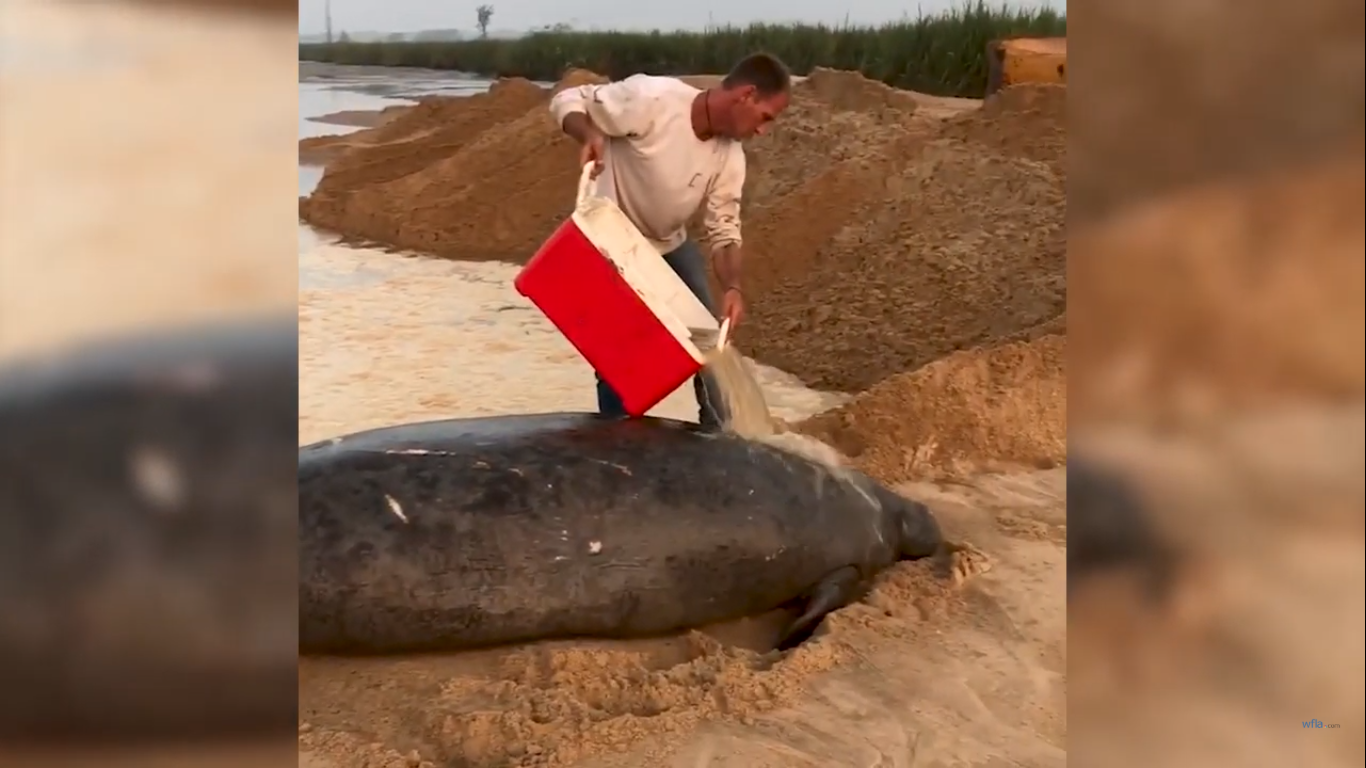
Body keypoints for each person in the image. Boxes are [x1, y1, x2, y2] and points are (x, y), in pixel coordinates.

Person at [548, 53, 792, 428]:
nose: (763, 131)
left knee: (709, 342)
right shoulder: (652, 100)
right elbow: (567, 99)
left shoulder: (730, 157)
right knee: (617, 361)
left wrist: (733, 287)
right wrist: (591, 134)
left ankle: (719, 436)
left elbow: (724, 230)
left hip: (668, 244)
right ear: (746, 95)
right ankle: (620, 443)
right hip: (611, 245)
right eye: (766, 118)